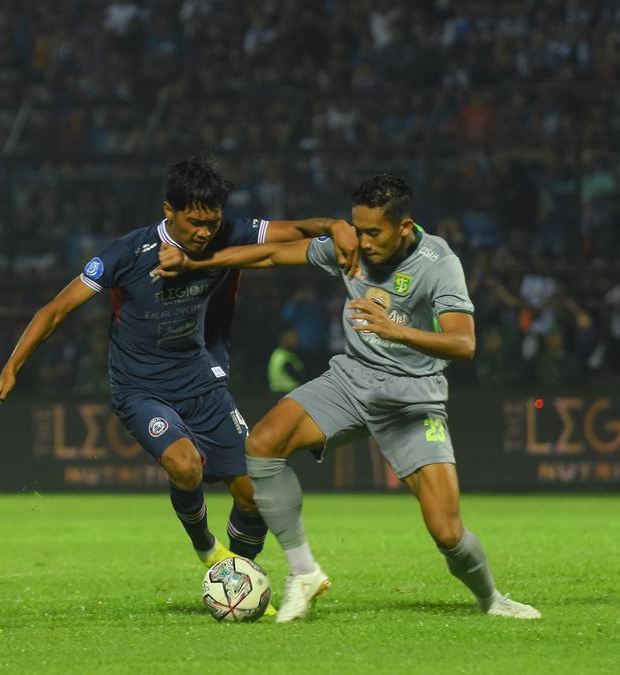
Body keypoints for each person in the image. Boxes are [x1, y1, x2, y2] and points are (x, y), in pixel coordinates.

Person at [153, 173, 541, 622]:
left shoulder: (438, 262)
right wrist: (196, 265)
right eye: (357, 228)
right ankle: (304, 572)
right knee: (261, 445)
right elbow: (274, 254)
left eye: (373, 232)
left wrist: (397, 330)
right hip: (350, 381)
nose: (362, 241)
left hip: (412, 401)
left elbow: (464, 343)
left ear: (404, 226)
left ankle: (492, 599)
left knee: (446, 532)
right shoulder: (352, 247)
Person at [0, 155, 358, 586]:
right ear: (169, 211)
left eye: (211, 222)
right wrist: (12, 368)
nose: (204, 232)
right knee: (185, 465)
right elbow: (56, 310)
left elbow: (296, 230)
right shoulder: (127, 253)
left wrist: (334, 225)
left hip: (199, 378)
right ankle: (206, 548)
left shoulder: (227, 233)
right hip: (140, 389)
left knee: (254, 494)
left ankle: (236, 576)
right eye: (194, 222)